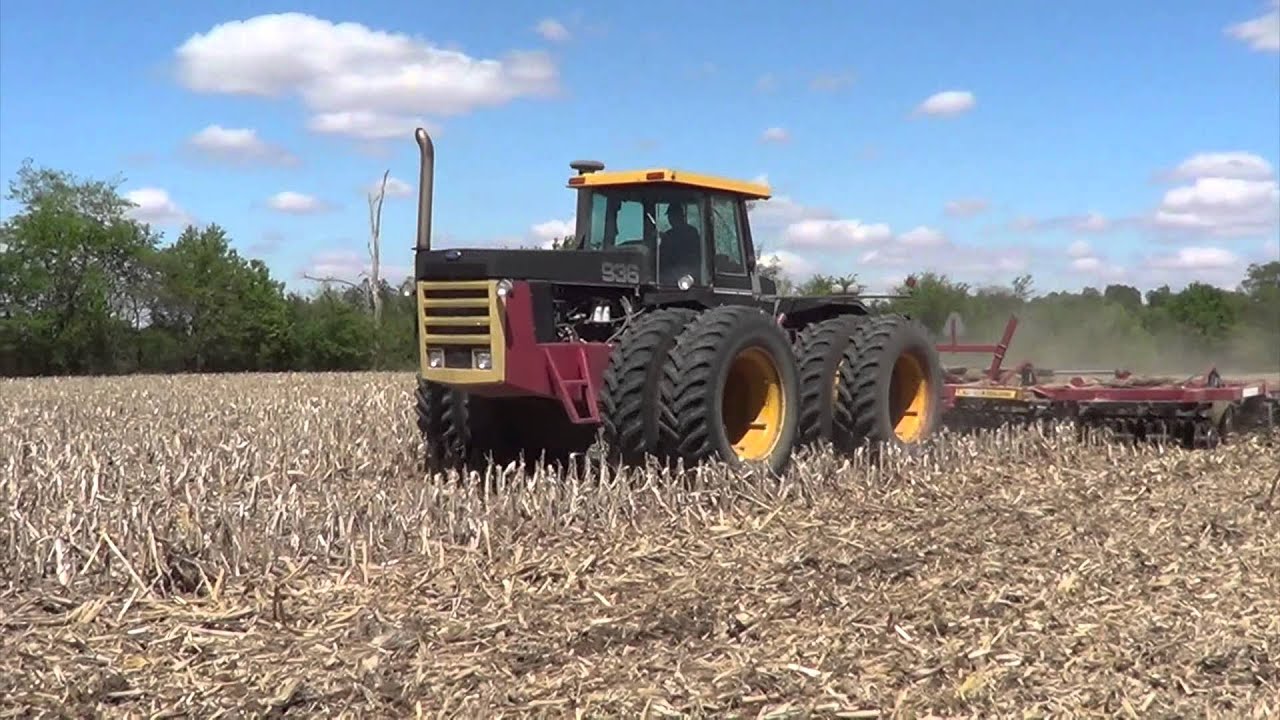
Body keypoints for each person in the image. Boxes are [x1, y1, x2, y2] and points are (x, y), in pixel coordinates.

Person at [659, 201, 703, 285]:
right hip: (670, 277)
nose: (670, 219)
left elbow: (696, 254)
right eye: (669, 216)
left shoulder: (691, 233)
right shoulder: (668, 235)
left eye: (672, 216)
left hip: (687, 276)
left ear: (680, 216)